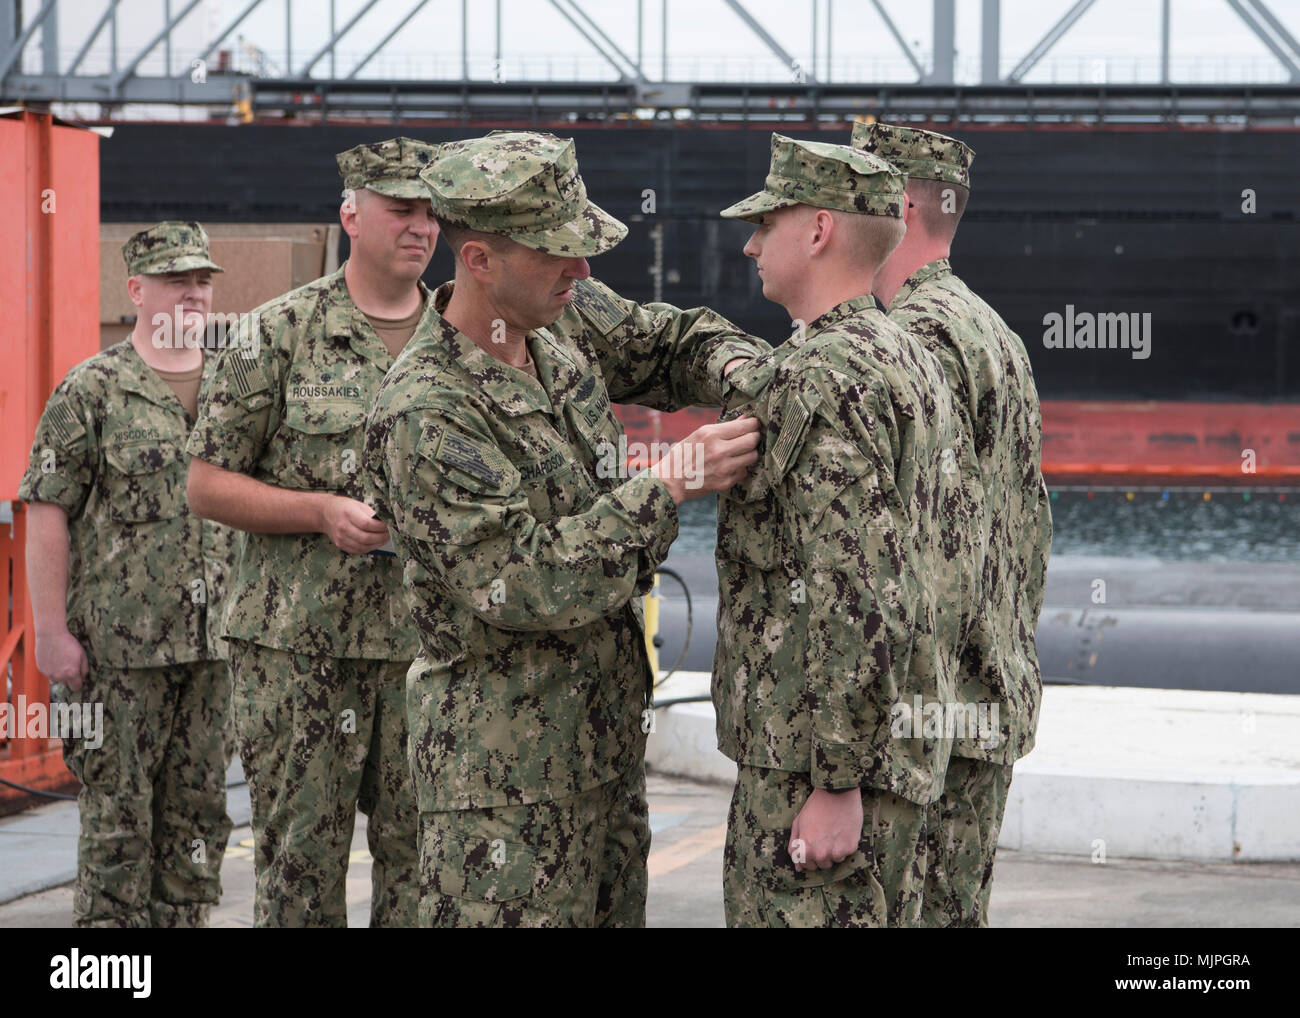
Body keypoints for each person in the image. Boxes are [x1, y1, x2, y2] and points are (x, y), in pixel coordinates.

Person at [363, 130, 767, 927]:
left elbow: (667, 341)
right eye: (558, 253)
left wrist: (753, 375)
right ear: (479, 261)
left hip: (603, 755)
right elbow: (525, 580)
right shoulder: (425, 411)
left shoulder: (556, 318)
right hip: (502, 794)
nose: (582, 271)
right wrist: (669, 483)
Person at [713, 134, 970, 928]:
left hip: (809, 767)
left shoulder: (821, 375)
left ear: (818, 231)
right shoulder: (909, 355)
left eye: (769, 223)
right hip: (895, 751)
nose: (752, 243)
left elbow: (857, 586)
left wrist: (835, 782)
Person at [185, 137, 438, 927]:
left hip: (426, 655)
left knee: (426, 869)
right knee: (300, 876)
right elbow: (204, 482)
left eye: (432, 213)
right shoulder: (277, 333)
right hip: (300, 655)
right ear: (351, 215)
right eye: (401, 209)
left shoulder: (465, 339)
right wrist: (319, 511)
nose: (421, 227)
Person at [855, 121, 1053, 927]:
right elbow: (1027, 526)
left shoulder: (914, 338)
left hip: (933, 721)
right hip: (987, 699)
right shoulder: (992, 331)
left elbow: (922, 547)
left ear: (900, 205)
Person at [18, 222, 235, 927]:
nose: (193, 294)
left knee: (200, 824)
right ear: (137, 291)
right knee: (117, 828)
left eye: (202, 281)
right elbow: (46, 509)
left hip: (215, 655)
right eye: (176, 281)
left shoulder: (239, 385)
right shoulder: (93, 390)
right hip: (117, 658)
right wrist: (49, 631)